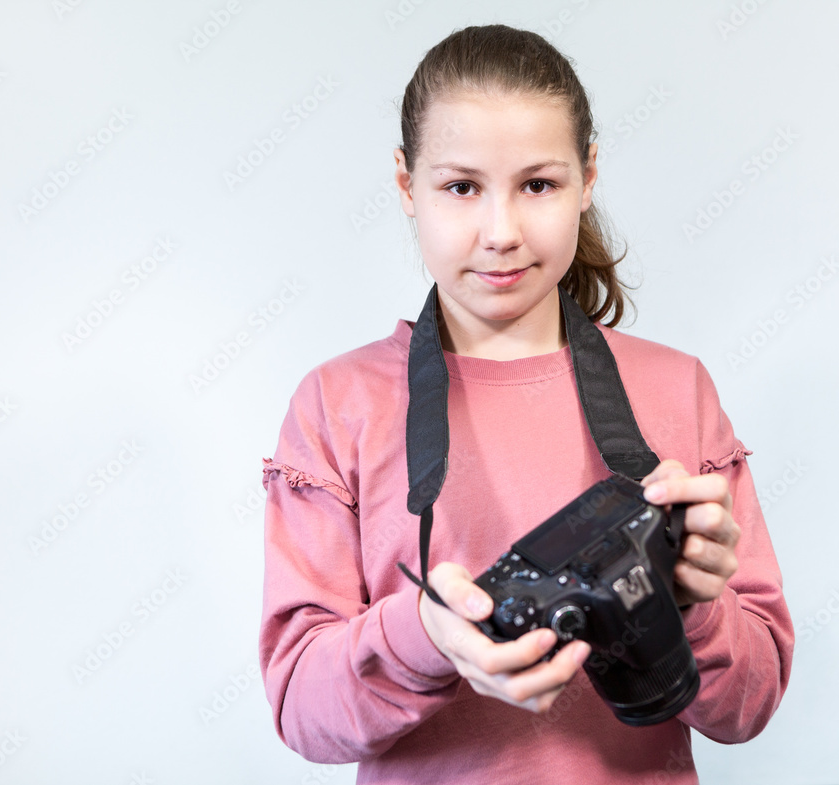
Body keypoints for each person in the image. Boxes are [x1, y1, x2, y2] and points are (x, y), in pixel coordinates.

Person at [258, 24, 793, 784]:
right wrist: (427, 635)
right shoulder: (335, 403)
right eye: (461, 186)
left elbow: (752, 704)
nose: (501, 232)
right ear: (408, 185)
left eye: (537, 185)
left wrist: (688, 602)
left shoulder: (677, 389)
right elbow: (300, 711)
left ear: (588, 177)